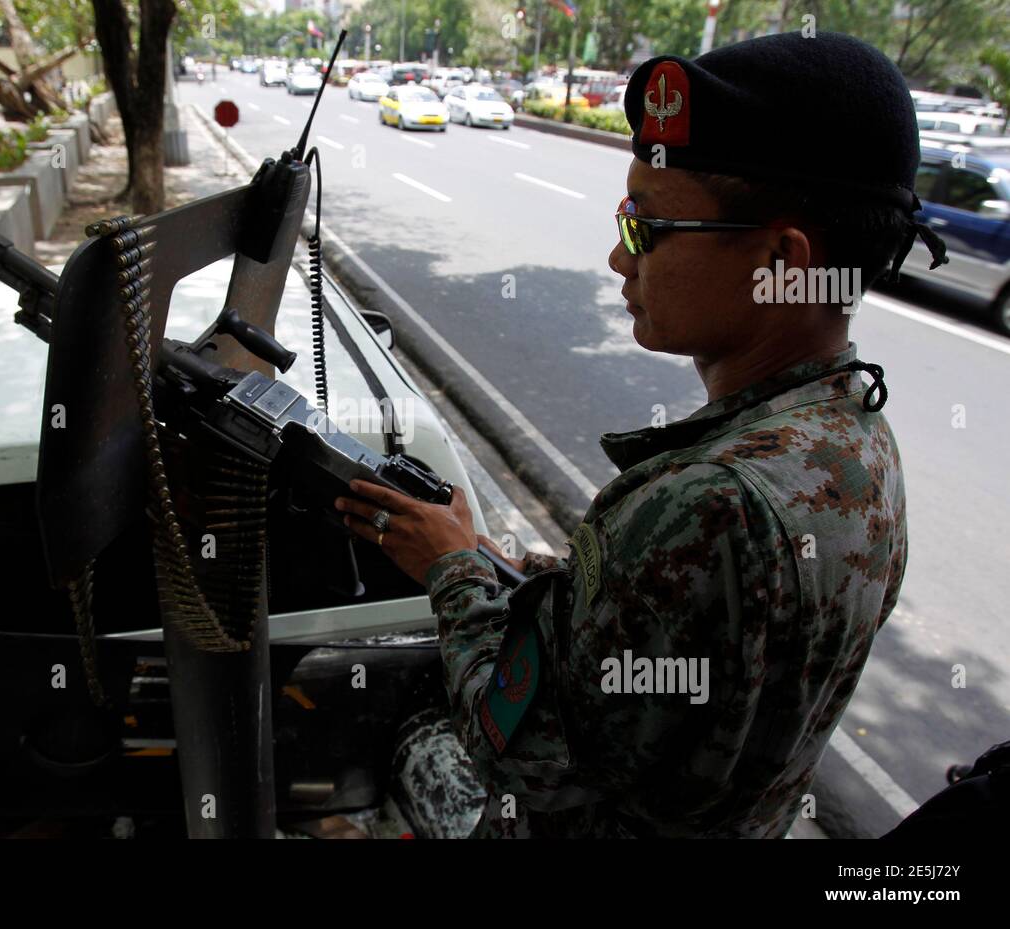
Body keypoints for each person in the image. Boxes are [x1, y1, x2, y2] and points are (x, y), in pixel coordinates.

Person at [335, 31, 947, 837]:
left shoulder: (707, 502)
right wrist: (534, 575)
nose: (620, 260)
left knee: (404, 738)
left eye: (647, 229)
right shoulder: (855, 436)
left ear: (785, 261)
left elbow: (510, 745)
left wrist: (452, 570)